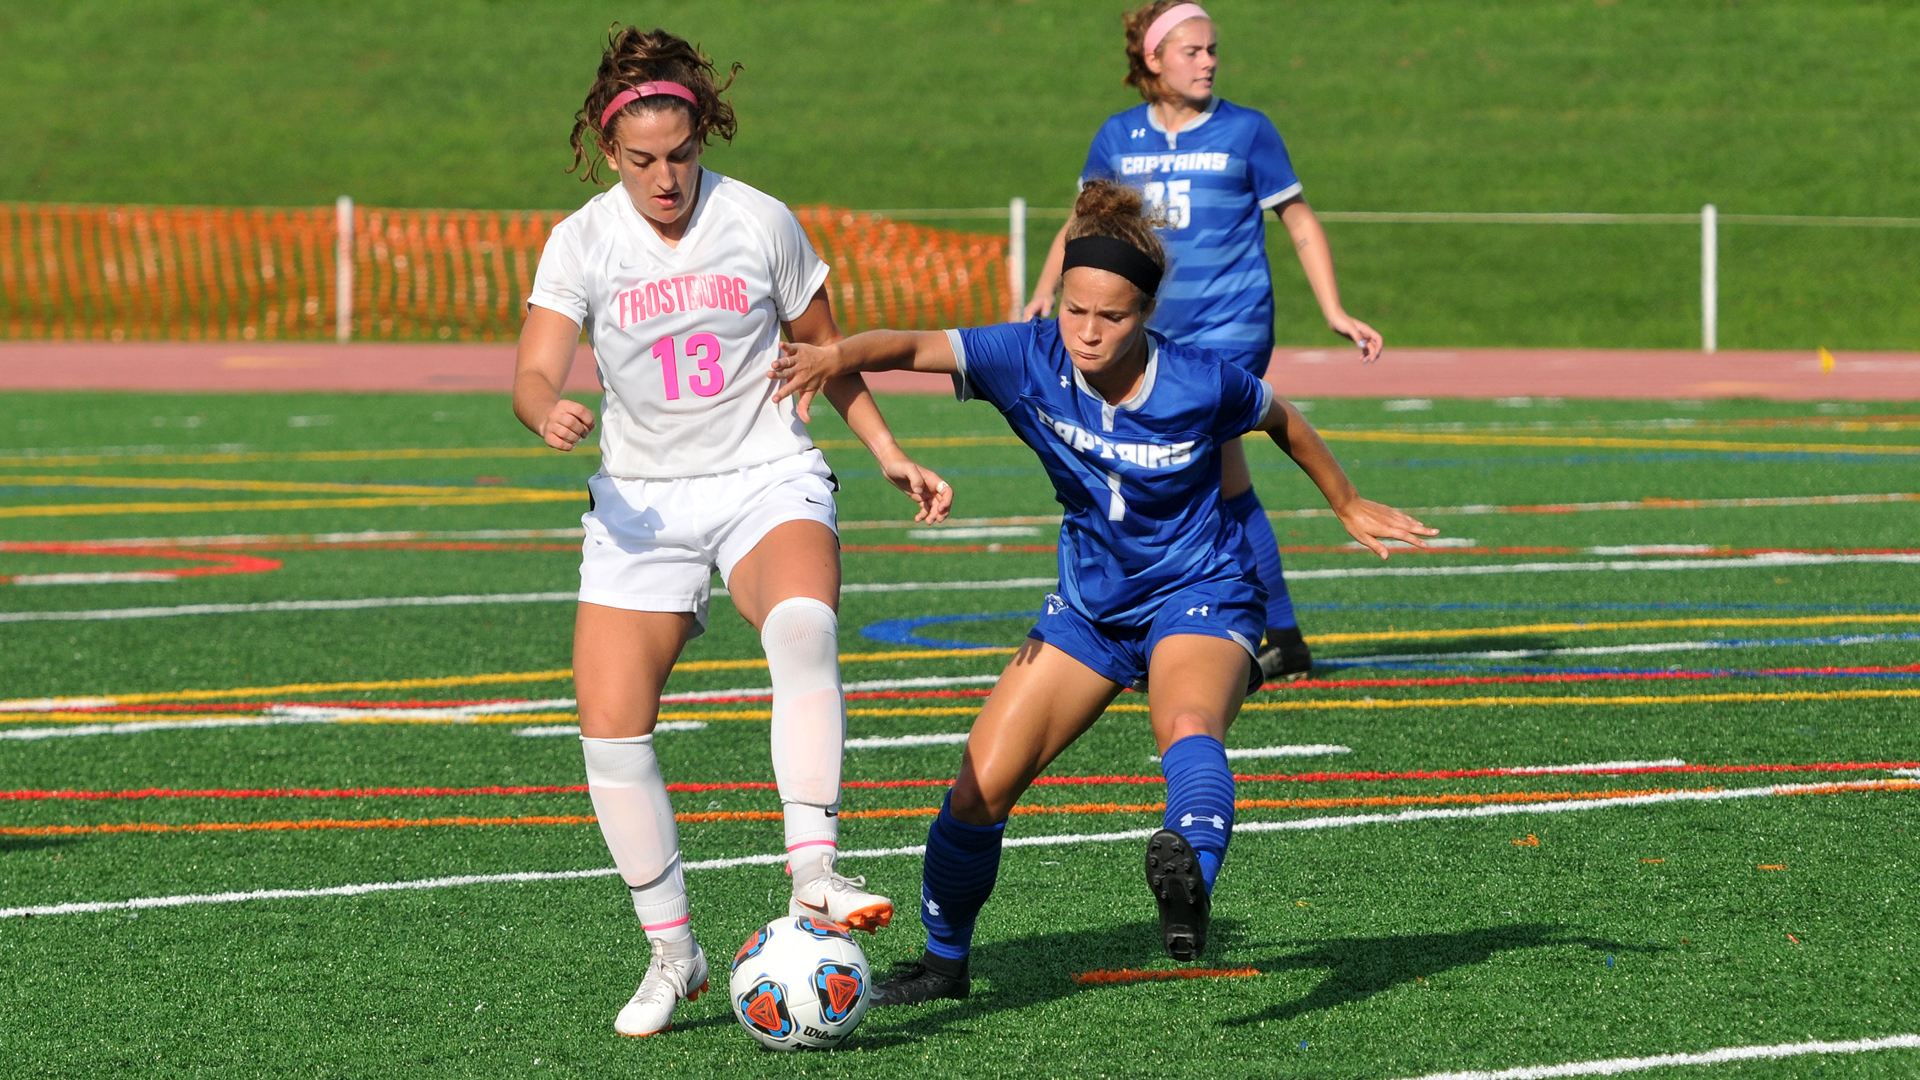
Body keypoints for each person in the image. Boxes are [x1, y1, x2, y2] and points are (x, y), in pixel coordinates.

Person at [770, 181, 1434, 1005]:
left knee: (1185, 722)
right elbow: (911, 345)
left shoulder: (1200, 380)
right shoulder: (1026, 355)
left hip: (1205, 590)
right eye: (1075, 310)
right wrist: (837, 355)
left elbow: (1282, 420)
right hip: (1090, 610)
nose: (1087, 331)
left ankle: (1187, 867)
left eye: (1111, 317)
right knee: (978, 789)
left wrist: (1345, 500)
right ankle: (944, 965)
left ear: (1147, 313)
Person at [512, 25, 954, 1037]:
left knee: (803, 622)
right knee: (611, 733)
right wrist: (545, 409)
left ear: (703, 133)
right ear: (605, 147)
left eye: (681, 154)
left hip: (767, 473)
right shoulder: (582, 239)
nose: (665, 177)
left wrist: (885, 447)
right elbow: (536, 366)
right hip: (642, 503)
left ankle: (813, 876)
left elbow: (824, 352)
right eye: (642, 161)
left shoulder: (760, 220)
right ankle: (675, 954)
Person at [1023, 1, 1384, 684]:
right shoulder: (1118, 135)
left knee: (1215, 471)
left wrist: (1333, 308)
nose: (1209, 61)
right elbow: (1082, 224)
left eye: (1213, 50)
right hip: (1152, 336)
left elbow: (1299, 222)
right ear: (1152, 59)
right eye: (1192, 50)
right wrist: (1048, 291)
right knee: (1219, 481)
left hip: (1232, 327)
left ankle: (1251, 629)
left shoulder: (1247, 130)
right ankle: (1264, 632)